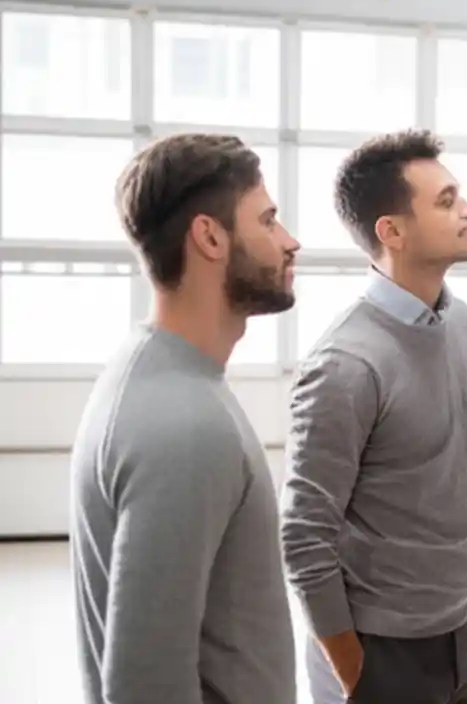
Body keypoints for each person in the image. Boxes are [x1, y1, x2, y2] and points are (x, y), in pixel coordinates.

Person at [69, 134, 299, 703]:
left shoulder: (160, 377)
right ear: (210, 237)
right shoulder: (185, 425)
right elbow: (145, 686)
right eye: (268, 221)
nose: (290, 242)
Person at [280, 129, 467, 704]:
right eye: (446, 201)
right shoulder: (347, 363)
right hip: (378, 646)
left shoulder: (465, 326)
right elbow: (303, 535)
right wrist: (355, 674)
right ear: (390, 231)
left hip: (456, 630)